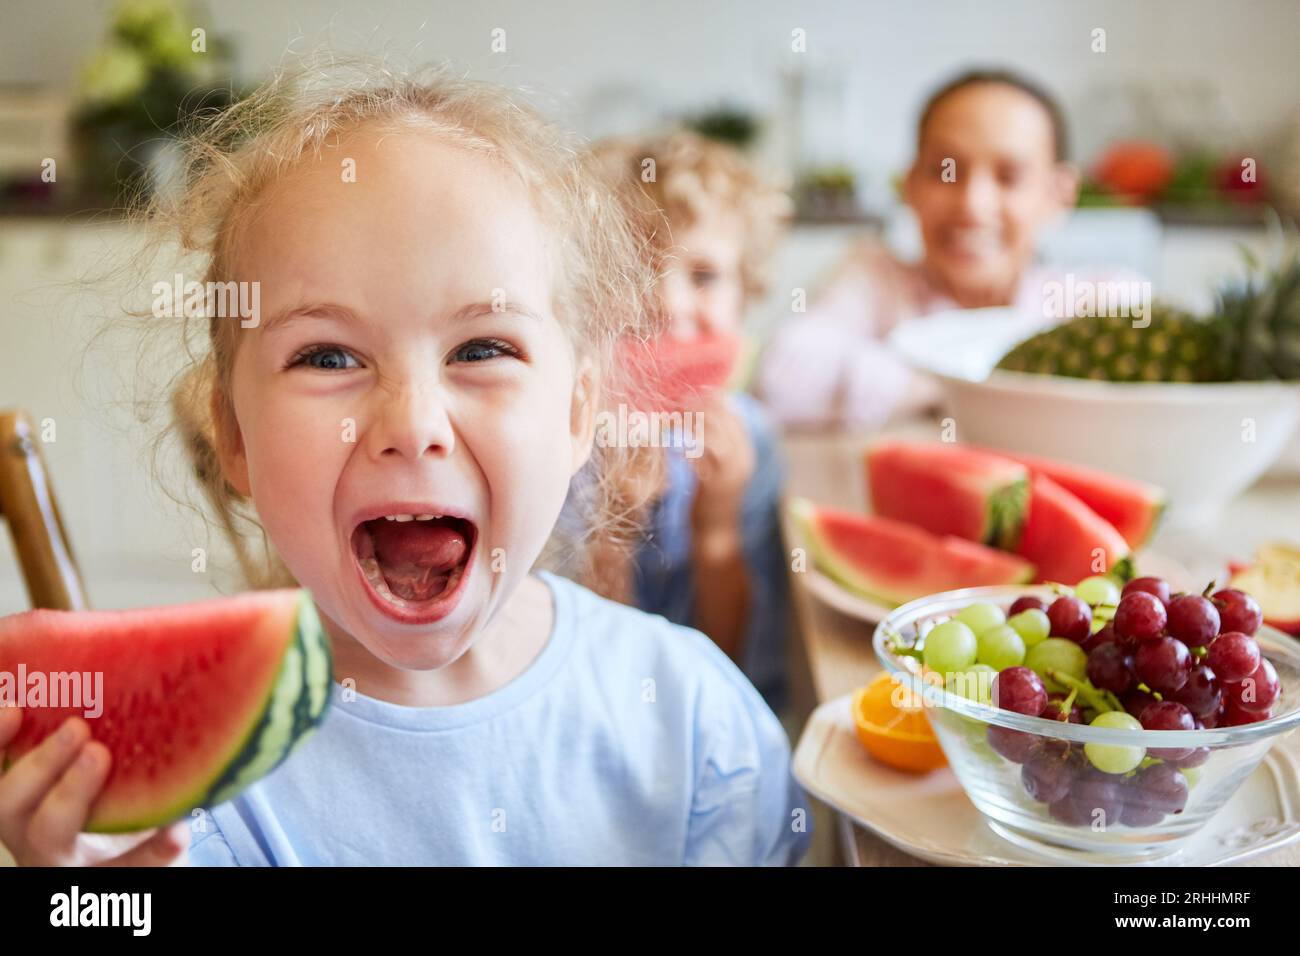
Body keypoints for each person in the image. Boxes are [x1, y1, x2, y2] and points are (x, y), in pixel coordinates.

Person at [0, 61, 811, 867]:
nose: (413, 423)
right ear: (234, 436)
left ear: (576, 415)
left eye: (483, 348)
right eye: (326, 356)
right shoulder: (191, 817)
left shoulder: (701, 727)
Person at [573, 131, 795, 712]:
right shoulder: (563, 441)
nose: (669, 305)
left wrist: (716, 523)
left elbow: (732, 660)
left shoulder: (753, 443)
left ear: (748, 293)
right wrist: (613, 530)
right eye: (638, 274)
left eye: (703, 276)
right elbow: (584, 669)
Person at [758, 69, 1086, 429]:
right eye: (946, 172)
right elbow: (781, 380)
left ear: (1059, 194)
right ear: (910, 184)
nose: (973, 205)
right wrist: (963, 385)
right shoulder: (872, 278)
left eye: (1009, 177)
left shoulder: (1095, 300)